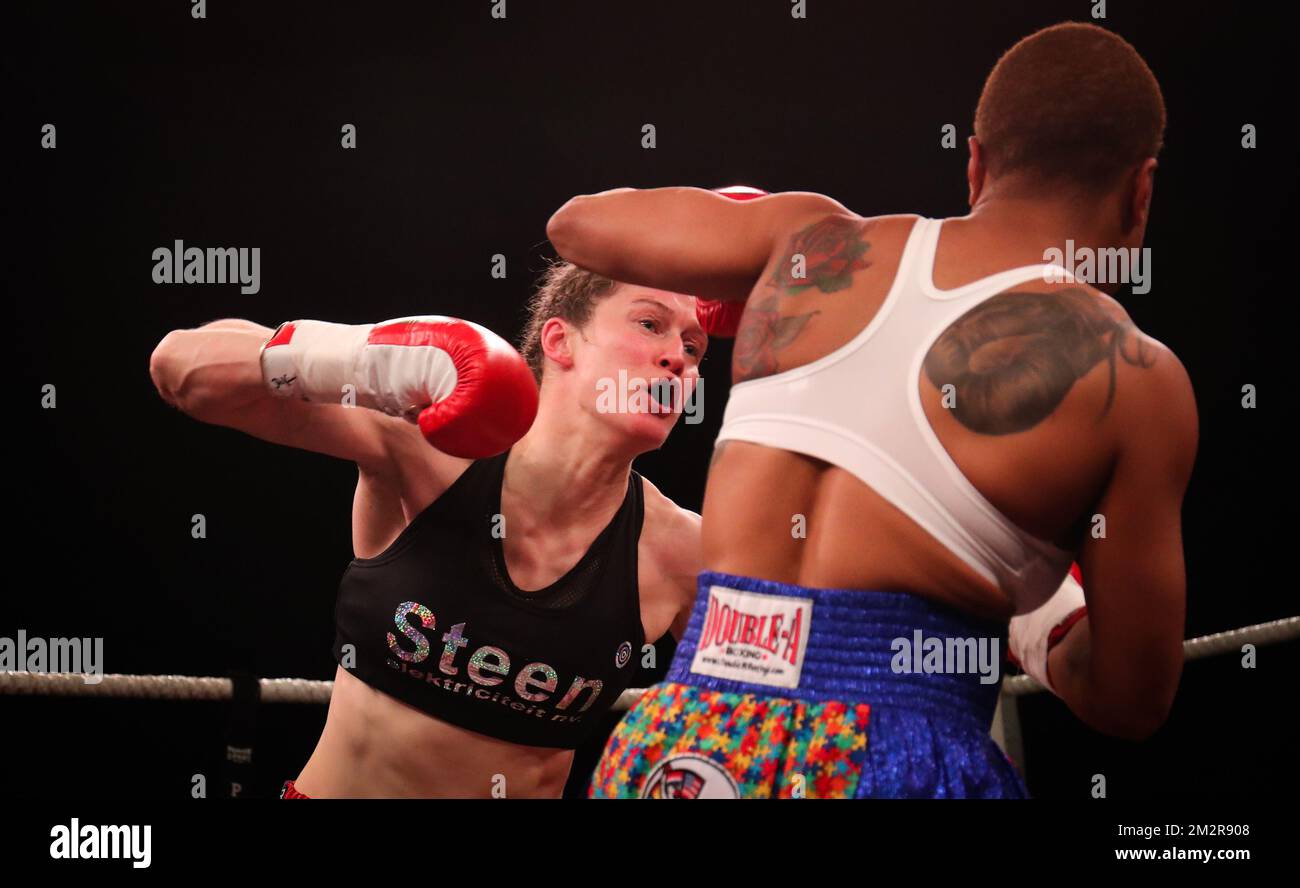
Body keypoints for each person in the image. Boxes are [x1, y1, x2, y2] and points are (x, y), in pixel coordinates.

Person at [548, 22, 1198, 798]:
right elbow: (1131, 701)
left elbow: (578, 226)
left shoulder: (809, 244)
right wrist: (1044, 618)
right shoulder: (1138, 376)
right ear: (1141, 192)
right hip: (896, 758)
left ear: (976, 162)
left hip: (686, 747)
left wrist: (750, 253)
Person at [148, 261, 740, 797]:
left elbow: (760, 719)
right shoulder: (427, 452)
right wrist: (365, 356)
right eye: (650, 324)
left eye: (693, 346)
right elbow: (180, 369)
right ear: (560, 341)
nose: (678, 358)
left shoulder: (681, 551)